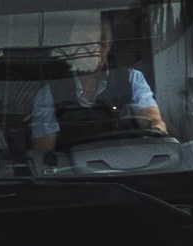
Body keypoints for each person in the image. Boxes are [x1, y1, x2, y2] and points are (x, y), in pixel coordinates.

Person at [31, 11, 166, 152]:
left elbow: (151, 116)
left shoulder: (133, 79)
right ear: (71, 46)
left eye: (100, 41)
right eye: (84, 41)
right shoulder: (49, 93)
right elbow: (43, 155)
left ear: (108, 45)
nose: (93, 48)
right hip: (73, 172)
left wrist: (155, 128)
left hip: (127, 168)